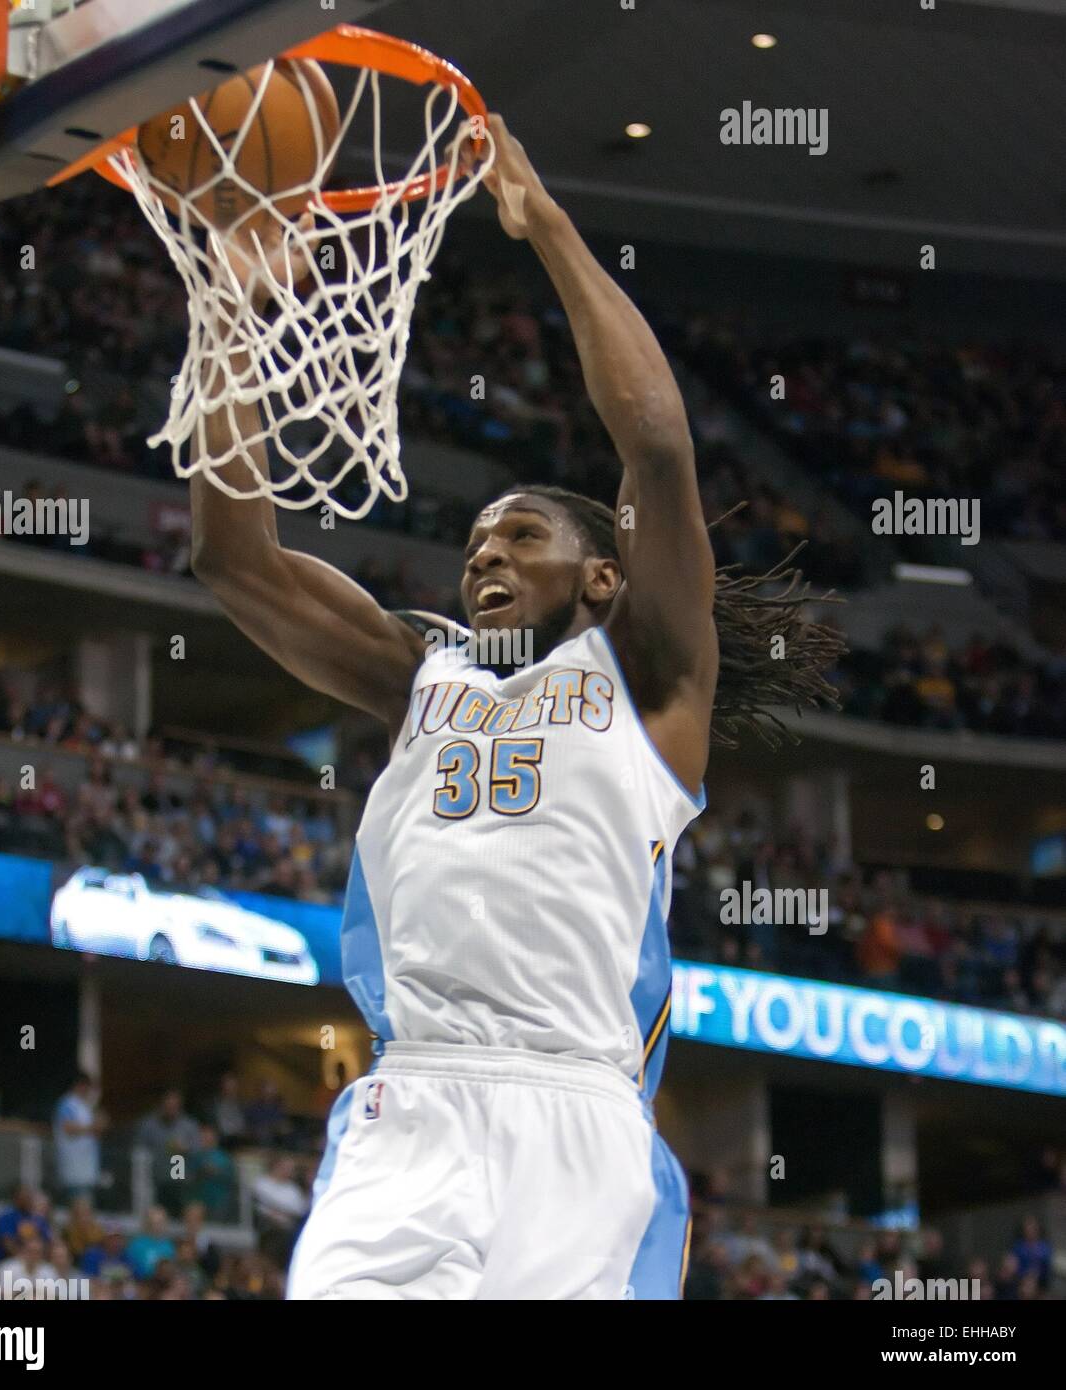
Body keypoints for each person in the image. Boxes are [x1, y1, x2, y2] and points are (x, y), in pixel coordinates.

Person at [189, 116, 839, 1300]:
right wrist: (229, 312)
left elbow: (655, 450)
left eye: (520, 535)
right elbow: (236, 562)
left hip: (577, 1117)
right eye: (474, 542)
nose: (483, 557)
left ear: (603, 575)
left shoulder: (649, 682)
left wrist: (546, 228)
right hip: (414, 1096)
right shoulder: (416, 675)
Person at [53, 1071, 106, 1203]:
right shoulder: (67, 1104)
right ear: (81, 1085)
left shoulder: (85, 1107)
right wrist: (93, 1127)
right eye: (89, 1087)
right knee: (78, 1204)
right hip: (74, 1167)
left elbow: (97, 1130)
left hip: (88, 1167)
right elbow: (67, 1127)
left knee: (87, 1204)